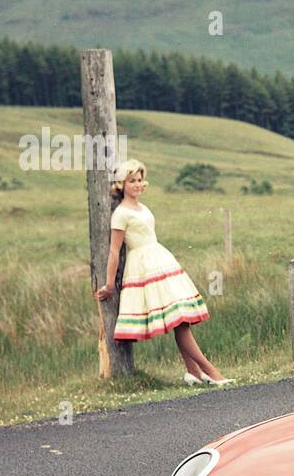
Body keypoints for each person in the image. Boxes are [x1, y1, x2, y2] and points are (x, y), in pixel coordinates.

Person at [93, 159, 231, 386]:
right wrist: (109, 285)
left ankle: (194, 372)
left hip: (160, 259)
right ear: (122, 184)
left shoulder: (143, 208)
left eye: (139, 180)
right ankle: (211, 372)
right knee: (179, 320)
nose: (137, 185)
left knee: (182, 319)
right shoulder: (120, 214)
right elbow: (114, 251)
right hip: (143, 267)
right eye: (131, 181)